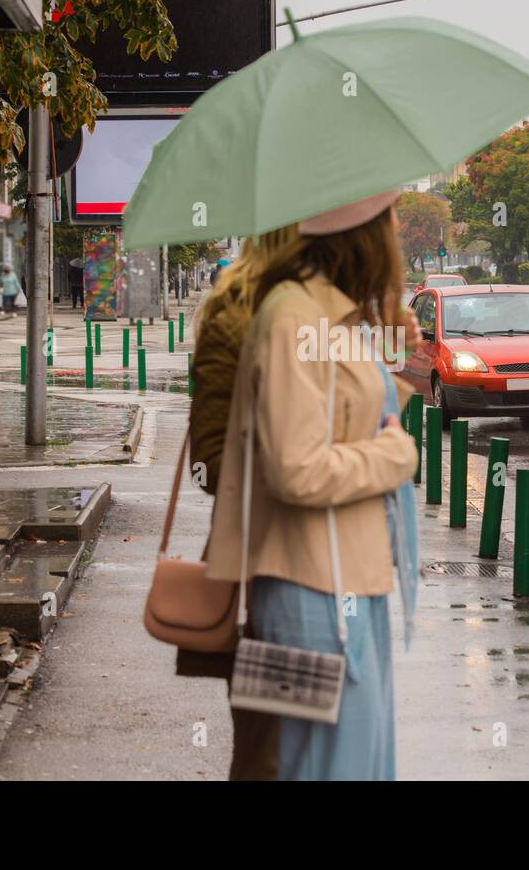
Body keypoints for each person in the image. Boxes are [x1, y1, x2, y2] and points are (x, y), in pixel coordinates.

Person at [204, 189, 421, 780]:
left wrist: (392, 354)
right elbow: (295, 468)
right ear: (362, 230)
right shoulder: (293, 316)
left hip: (348, 583)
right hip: (312, 595)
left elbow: (346, 415)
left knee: (353, 764)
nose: (398, 228)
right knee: (317, 767)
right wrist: (394, 456)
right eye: (390, 214)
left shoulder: (329, 314)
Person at [181, 225, 305, 780]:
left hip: (333, 571)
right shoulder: (235, 314)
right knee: (268, 746)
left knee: (316, 744)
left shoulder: (330, 312)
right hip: (266, 571)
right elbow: (208, 460)